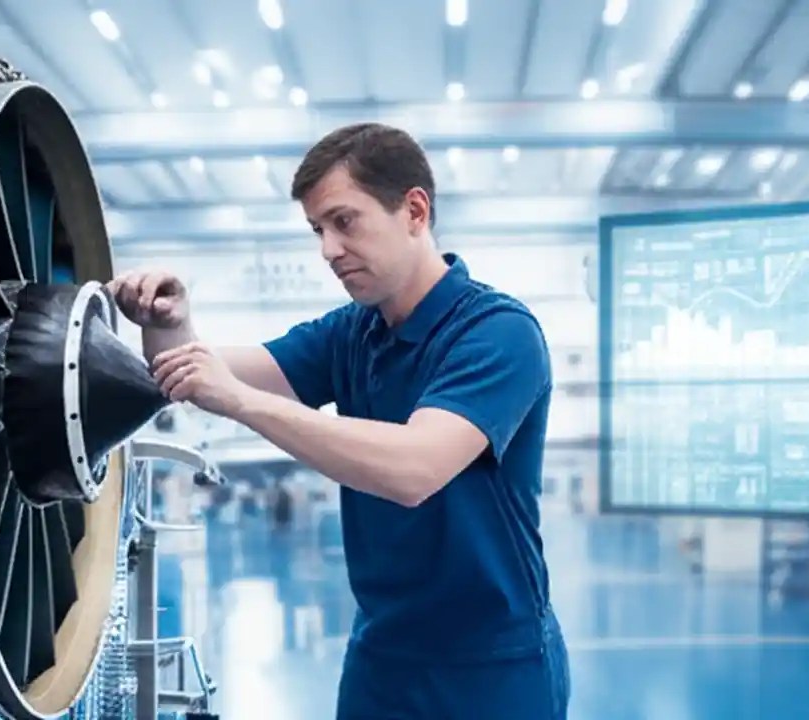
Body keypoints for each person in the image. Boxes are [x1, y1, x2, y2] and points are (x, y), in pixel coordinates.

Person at [107, 123, 569, 719]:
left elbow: (414, 468)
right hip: (381, 658)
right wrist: (168, 321)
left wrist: (242, 403)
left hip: (491, 670)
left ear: (414, 210)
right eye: (317, 230)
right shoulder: (354, 331)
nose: (327, 249)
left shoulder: (498, 332)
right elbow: (208, 372)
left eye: (344, 222)